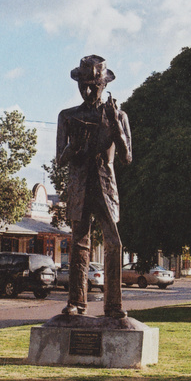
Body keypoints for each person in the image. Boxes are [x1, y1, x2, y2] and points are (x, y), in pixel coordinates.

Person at [56, 55, 132, 318]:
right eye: (83, 84)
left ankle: (113, 305)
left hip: (105, 187)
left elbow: (126, 157)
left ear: (104, 84)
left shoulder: (118, 115)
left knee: (114, 242)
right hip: (79, 188)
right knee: (79, 243)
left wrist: (115, 127)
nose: (88, 90)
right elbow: (60, 160)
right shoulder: (68, 116)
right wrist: (72, 148)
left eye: (94, 85)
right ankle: (76, 302)